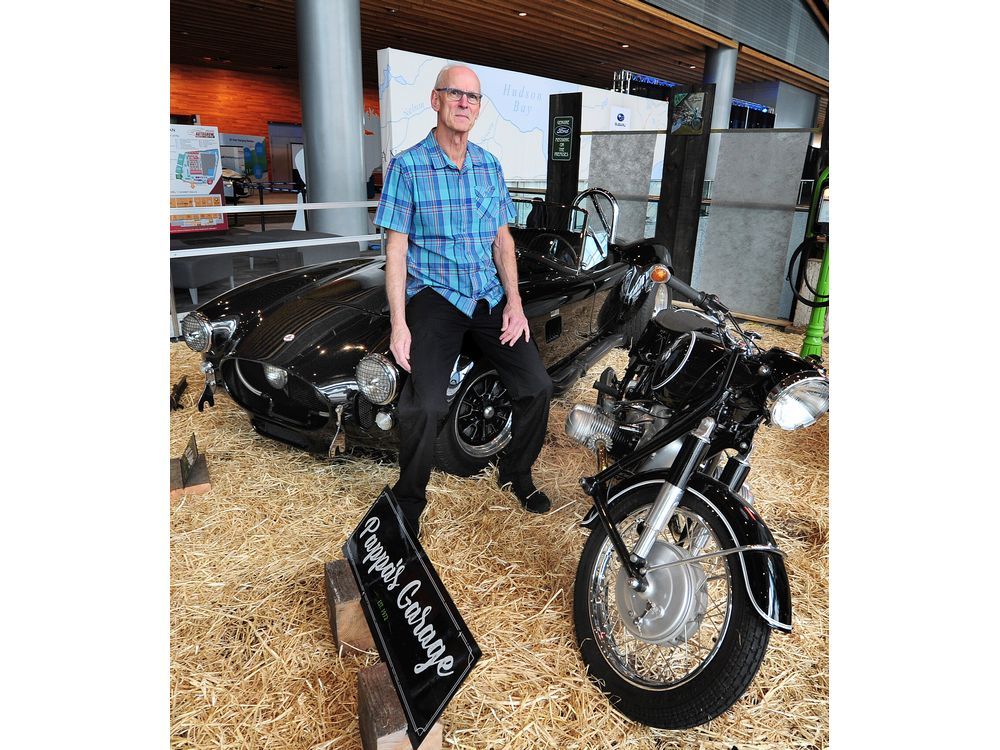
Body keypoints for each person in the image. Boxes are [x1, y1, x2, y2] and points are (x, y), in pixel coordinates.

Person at [373, 64, 554, 537]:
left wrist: (513, 301)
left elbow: (503, 241)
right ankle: (408, 500)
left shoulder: (488, 165)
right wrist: (399, 323)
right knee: (424, 407)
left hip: (489, 296)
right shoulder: (408, 167)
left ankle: (516, 473)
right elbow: (395, 250)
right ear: (436, 100)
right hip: (436, 296)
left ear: (478, 108)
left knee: (537, 386)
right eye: (455, 94)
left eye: (472, 97)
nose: (464, 103)